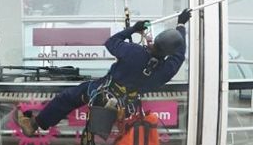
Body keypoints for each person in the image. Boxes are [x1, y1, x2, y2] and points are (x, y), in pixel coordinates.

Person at [15, 8, 191, 136]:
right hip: (126, 107)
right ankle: (37, 123)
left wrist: (133, 29)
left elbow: (111, 42)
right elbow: (179, 55)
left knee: (67, 98)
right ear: (168, 53)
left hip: (102, 92)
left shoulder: (134, 52)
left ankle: (35, 124)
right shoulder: (165, 71)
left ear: (156, 41)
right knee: (72, 97)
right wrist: (181, 25)